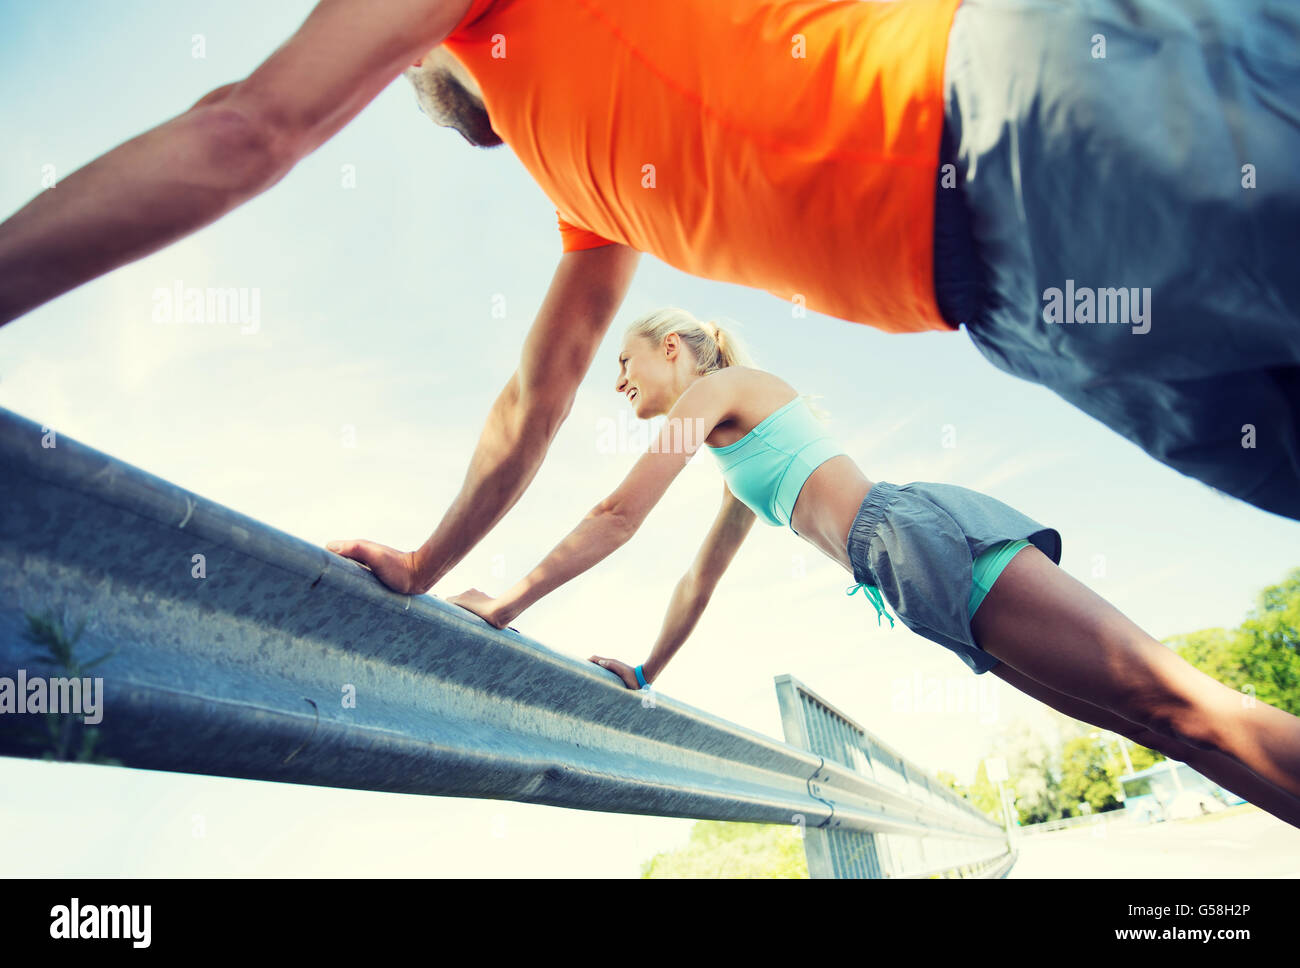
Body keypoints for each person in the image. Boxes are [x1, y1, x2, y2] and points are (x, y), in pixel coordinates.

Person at [2, 0, 1297, 611]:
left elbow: (250, 128)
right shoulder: (588, 199)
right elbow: (536, 398)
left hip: (1011, 114)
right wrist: (430, 563)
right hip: (1014, 302)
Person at [440, 308, 1300, 829]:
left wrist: (507, 602)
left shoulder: (722, 391)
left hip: (916, 537)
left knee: (1187, 706)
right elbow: (698, 580)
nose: (617, 384)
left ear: (674, 348)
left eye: (622, 364)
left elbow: (617, 514)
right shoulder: (738, 460)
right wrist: (644, 668)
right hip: (906, 571)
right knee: (1157, 727)